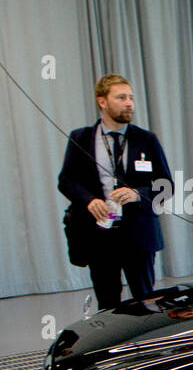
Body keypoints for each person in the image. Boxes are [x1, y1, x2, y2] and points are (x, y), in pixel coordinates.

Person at [58, 74, 173, 311]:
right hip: (100, 233)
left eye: (131, 97)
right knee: (108, 301)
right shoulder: (80, 138)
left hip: (138, 233)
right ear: (102, 102)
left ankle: (147, 346)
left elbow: (166, 185)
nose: (129, 103)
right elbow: (66, 180)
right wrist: (89, 201)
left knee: (146, 300)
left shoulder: (146, 139)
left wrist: (139, 193)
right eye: (121, 97)